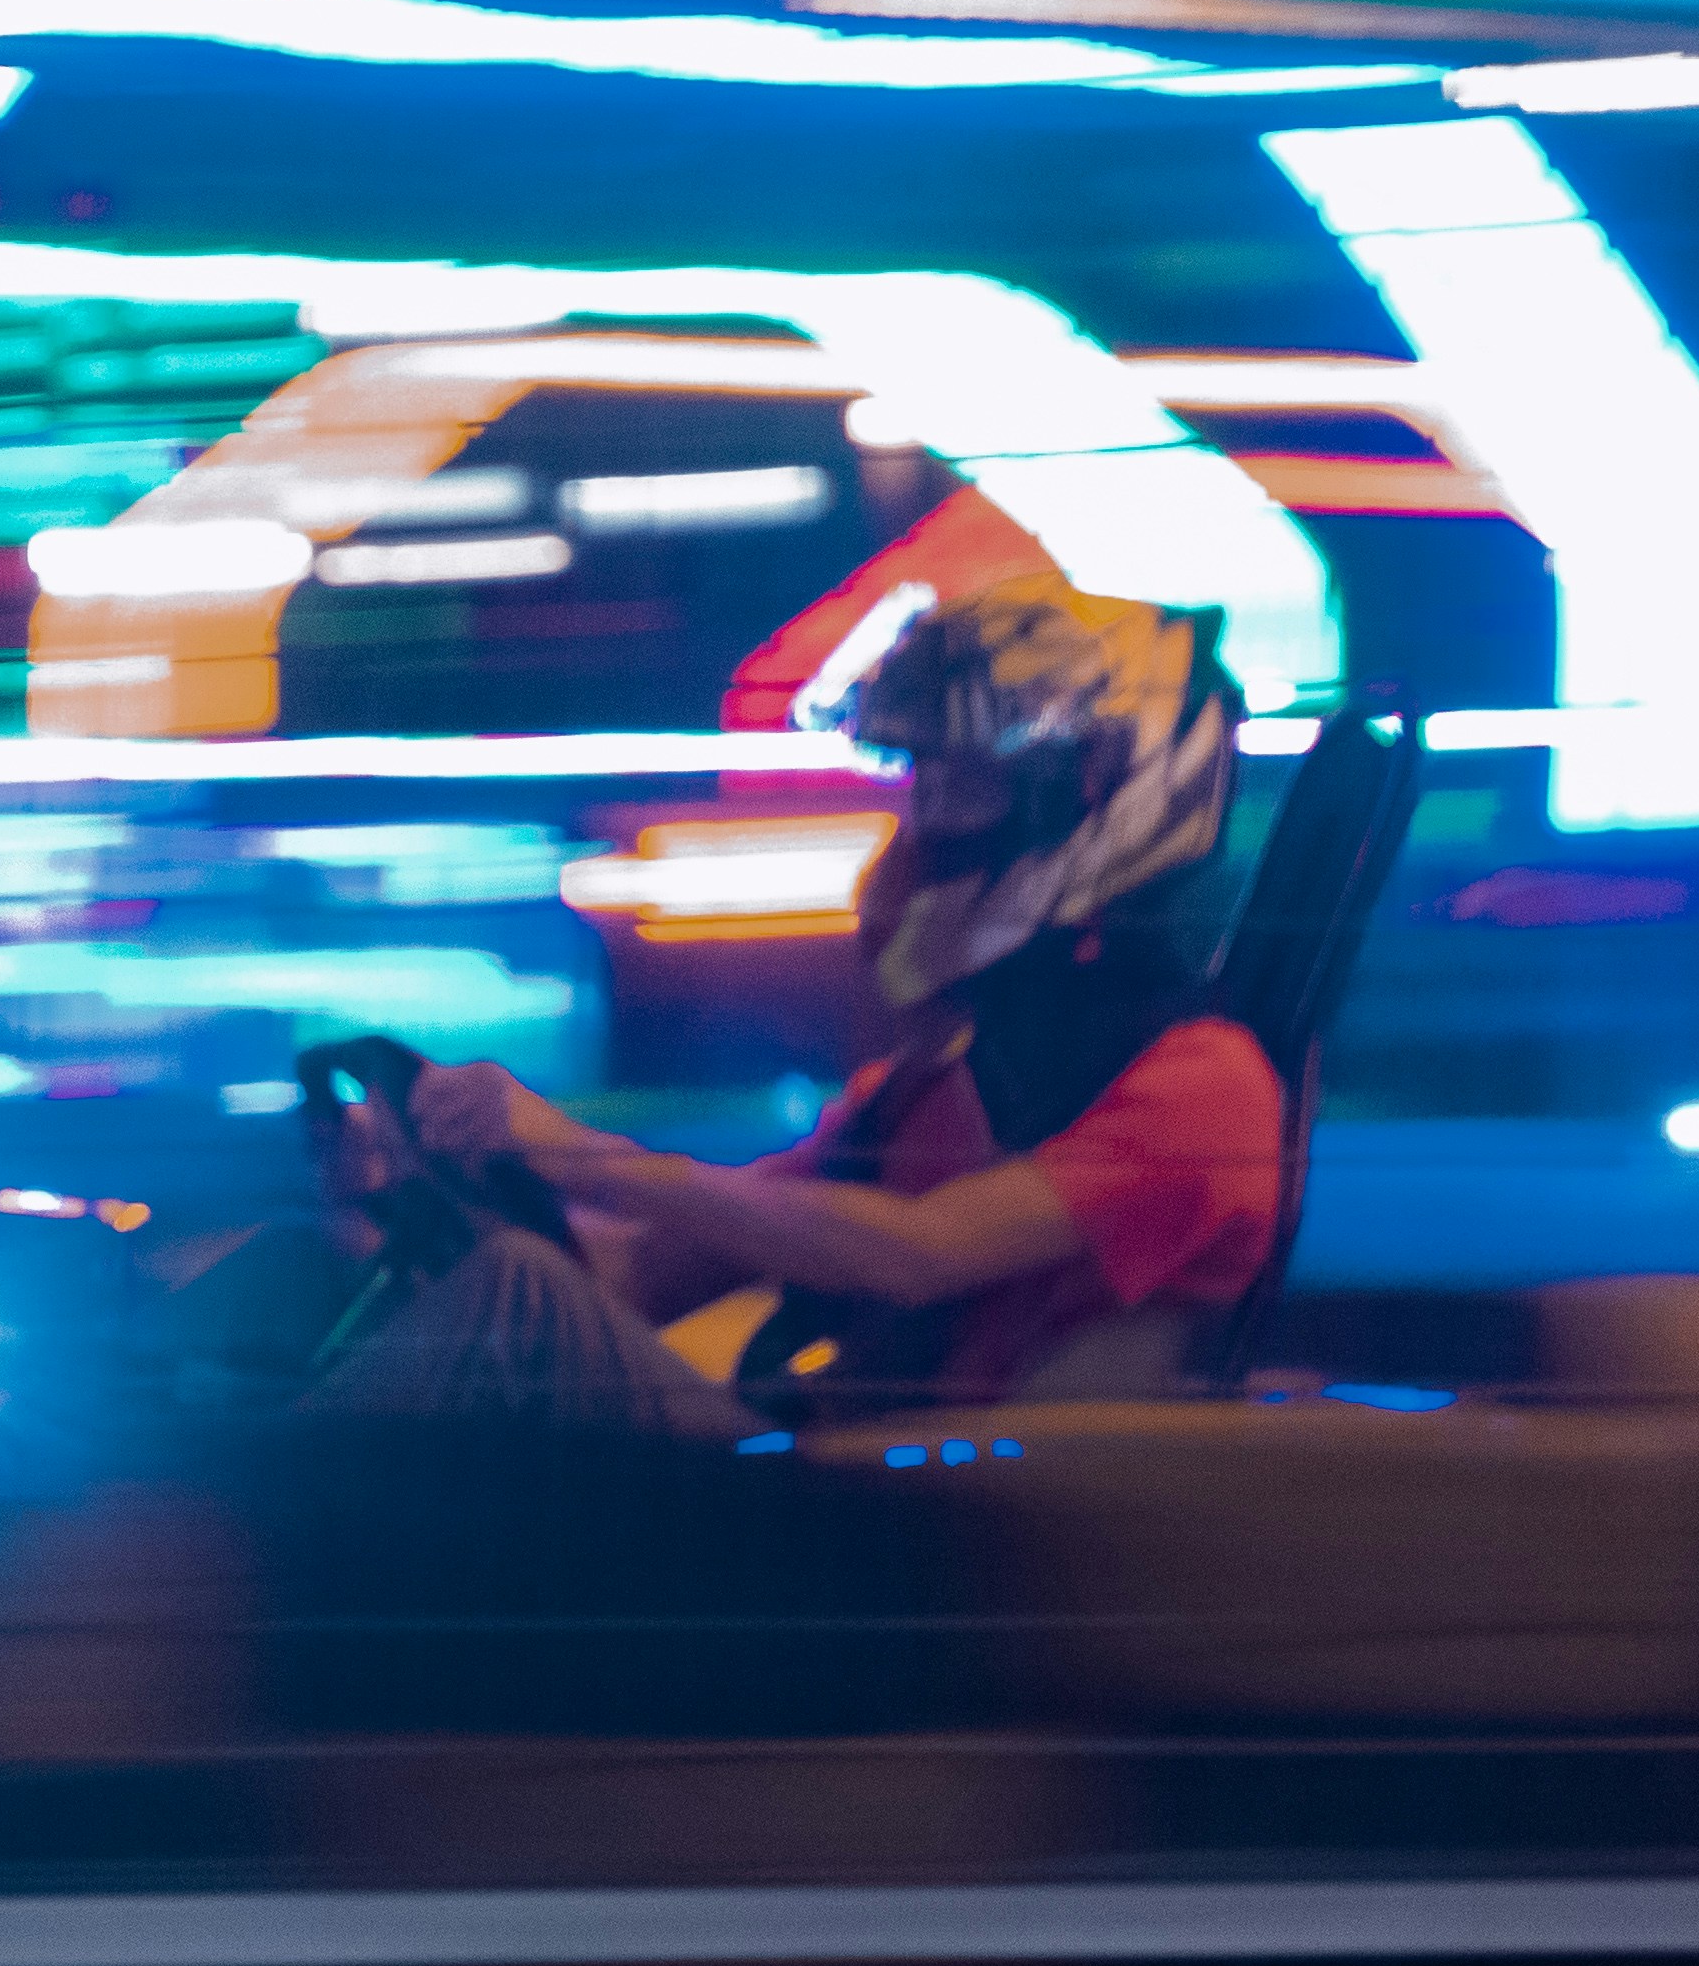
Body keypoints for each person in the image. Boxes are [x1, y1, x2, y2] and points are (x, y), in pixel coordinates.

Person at [321, 583, 1289, 1426]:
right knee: (337, 1277)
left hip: (972, 1547)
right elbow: (635, 1280)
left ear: (1091, 794)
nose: (924, 824)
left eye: (964, 782)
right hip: (848, 1498)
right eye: (922, 778)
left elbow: (918, 1254)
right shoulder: (918, 1092)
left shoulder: (1203, 1090)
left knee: (516, 1296)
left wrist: (582, 1151)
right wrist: (431, 1196)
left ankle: (219, 1577)